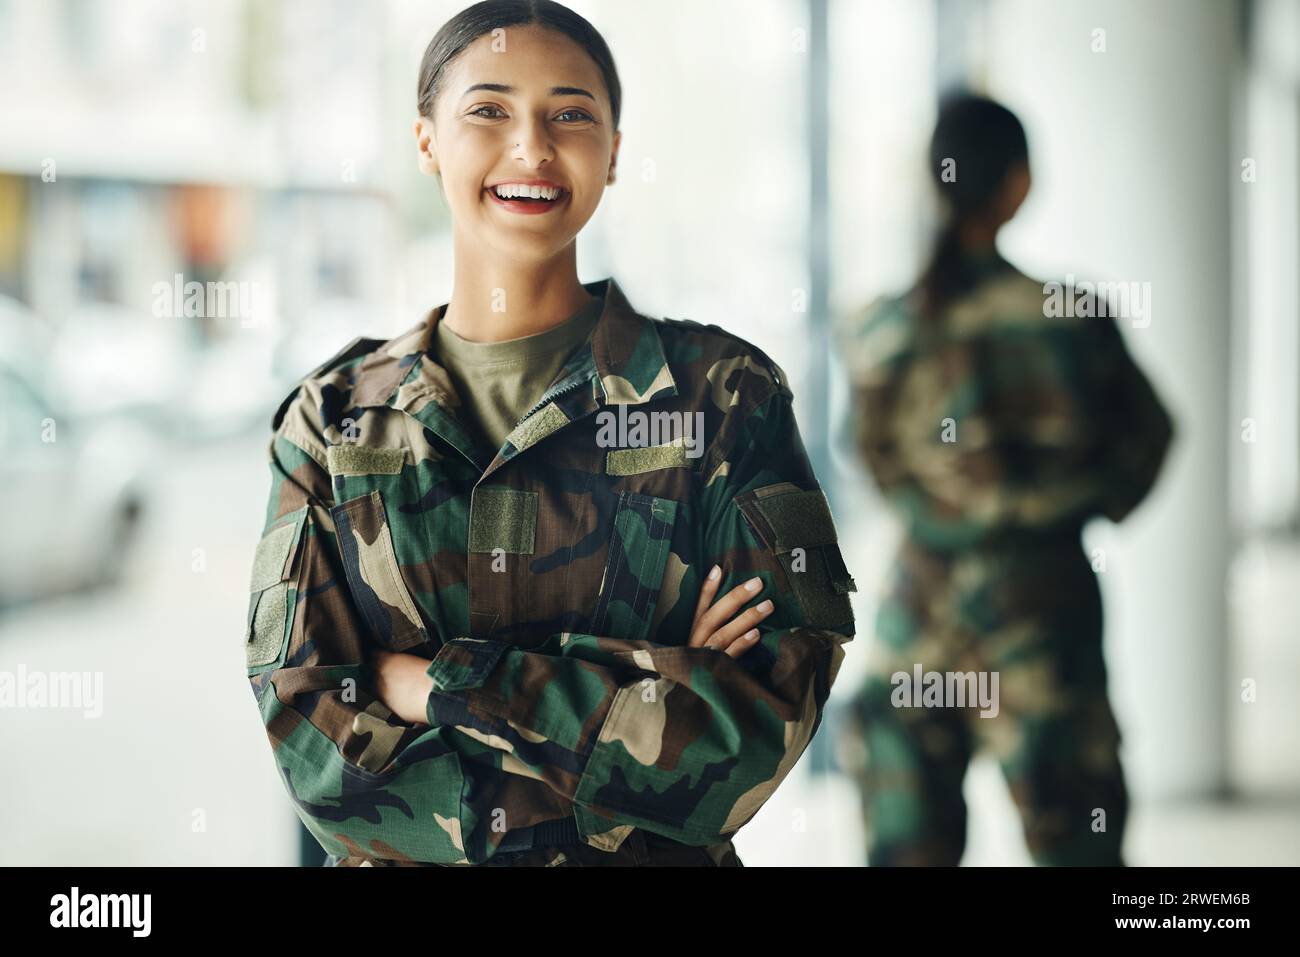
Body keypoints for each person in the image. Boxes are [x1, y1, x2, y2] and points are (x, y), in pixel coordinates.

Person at [243, 0, 856, 867]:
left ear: (612, 153)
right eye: (488, 109)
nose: (532, 147)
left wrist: (429, 684)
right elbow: (323, 769)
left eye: (571, 115)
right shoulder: (332, 423)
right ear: (426, 140)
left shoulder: (723, 397)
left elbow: (747, 746)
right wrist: (651, 686)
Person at [837, 93, 1173, 866]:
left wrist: (942, 511)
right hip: (1043, 612)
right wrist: (1077, 506)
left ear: (934, 185)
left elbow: (870, 455)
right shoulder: (1072, 316)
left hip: (919, 620)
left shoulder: (879, 329)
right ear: (1019, 185)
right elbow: (1149, 438)